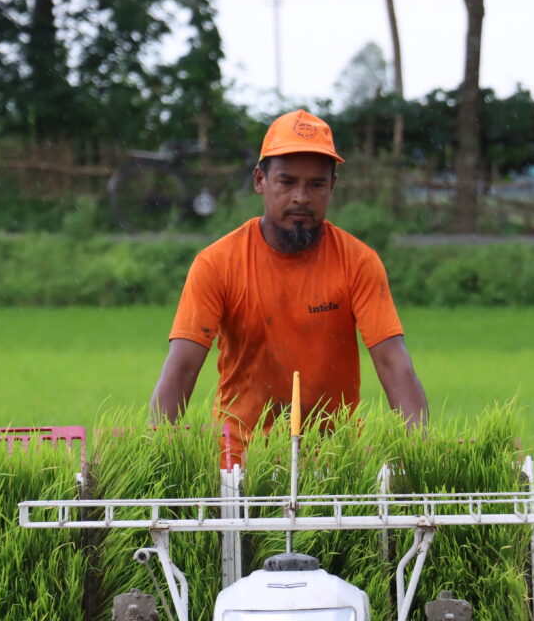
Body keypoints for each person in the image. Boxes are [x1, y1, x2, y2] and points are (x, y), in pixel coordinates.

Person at [148, 108, 428, 458]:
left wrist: (420, 455)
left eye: (316, 184)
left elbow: (393, 362)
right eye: (287, 181)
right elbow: (183, 366)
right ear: (260, 181)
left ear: (332, 187)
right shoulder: (217, 263)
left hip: (333, 464)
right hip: (239, 464)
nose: (301, 196)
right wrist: (155, 454)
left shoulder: (358, 261)